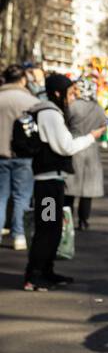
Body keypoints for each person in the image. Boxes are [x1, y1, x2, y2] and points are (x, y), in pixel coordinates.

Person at [18, 74, 105, 290]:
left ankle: (46, 271)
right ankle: (34, 275)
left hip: (52, 180)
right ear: (58, 93)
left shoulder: (47, 111)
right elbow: (65, 146)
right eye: (71, 92)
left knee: (53, 228)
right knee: (47, 229)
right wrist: (91, 137)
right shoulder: (50, 113)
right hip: (47, 183)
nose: (73, 97)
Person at [0, 64, 37, 251]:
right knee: (22, 196)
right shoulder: (30, 101)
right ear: (22, 79)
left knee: (1, 195)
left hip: (1, 153)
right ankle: (19, 234)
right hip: (24, 155)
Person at [64, 77, 108, 231]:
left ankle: (67, 220)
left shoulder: (72, 106)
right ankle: (84, 220)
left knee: (69, 188)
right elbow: (104, 125)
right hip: (91, 148)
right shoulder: (98, 108)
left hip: (74, 145)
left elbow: (65, 123)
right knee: (87, 189)